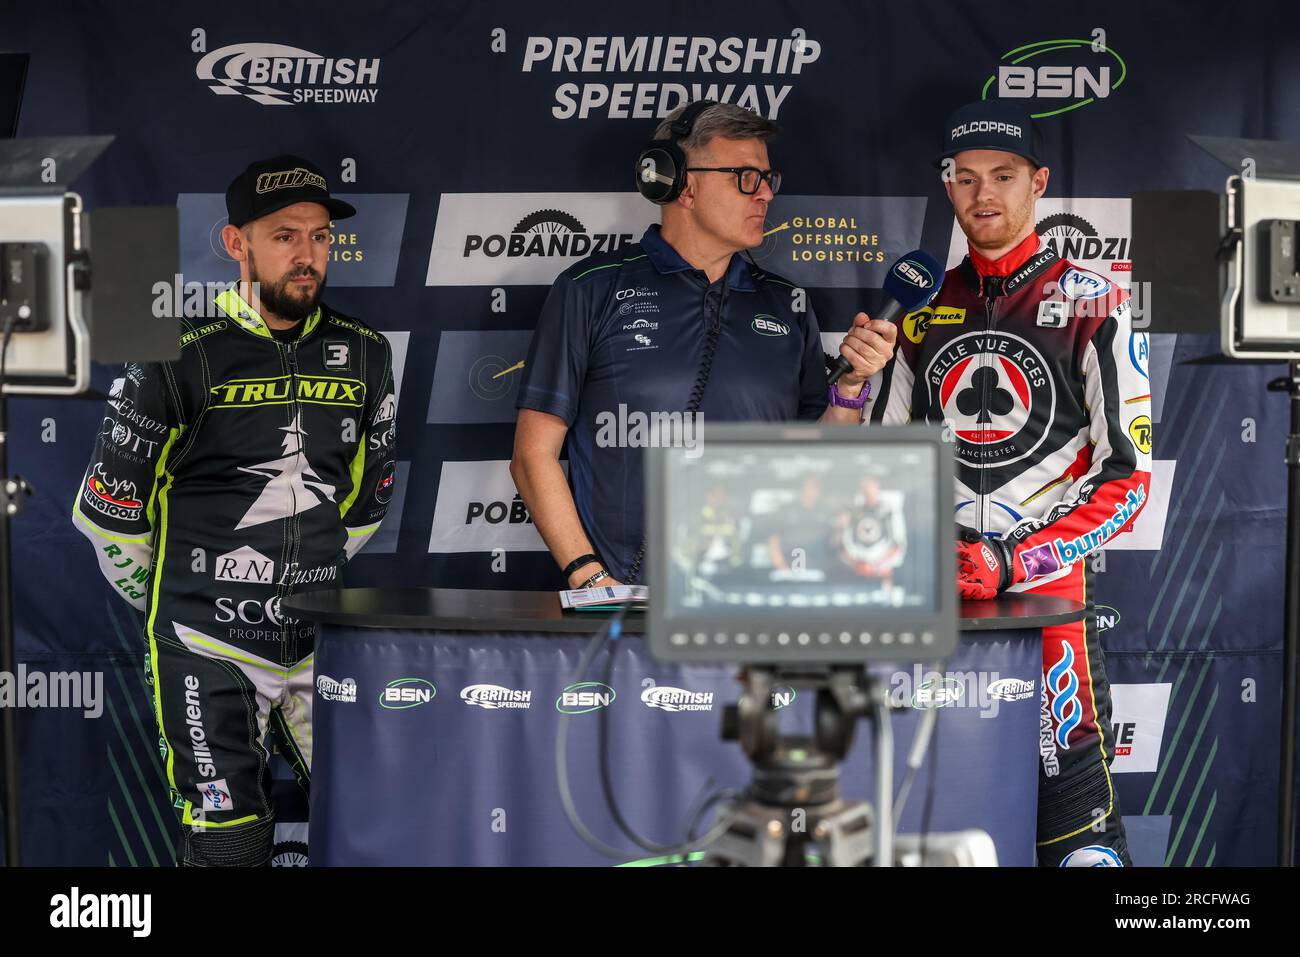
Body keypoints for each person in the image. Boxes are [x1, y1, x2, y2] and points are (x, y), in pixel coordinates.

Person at [72, 155, 398, 866]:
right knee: (232, 843)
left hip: (321, 640)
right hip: (206, 645)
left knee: (379, 822)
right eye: (285, 236)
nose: (307, 254)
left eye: (318, 236)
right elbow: (107, 512)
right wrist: (181, 602)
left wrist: (307, 581)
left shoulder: (368, 353)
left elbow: (365, 500)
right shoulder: (175, 354)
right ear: (236, 244)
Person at [870, 101, 1153, 866]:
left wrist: (1012, 559)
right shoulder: (922, 304)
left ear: (1039, 183)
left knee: (1076, 848)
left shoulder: (1095, 298)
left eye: (1001, 176)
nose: (982, 193)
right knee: (929, 836)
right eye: (965, 179)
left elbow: (1128, 478)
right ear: (949, 187)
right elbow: (876, 466)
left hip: (1045, 611)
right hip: (927, 610)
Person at [511, 101, 897, 589]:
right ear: (678, 182)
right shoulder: (589, 289)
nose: (764, 196)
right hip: (623, 607)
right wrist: (588, 575)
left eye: (767, 179)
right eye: (745, 178)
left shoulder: (787, 304)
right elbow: (532, 455)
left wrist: (851, 387)